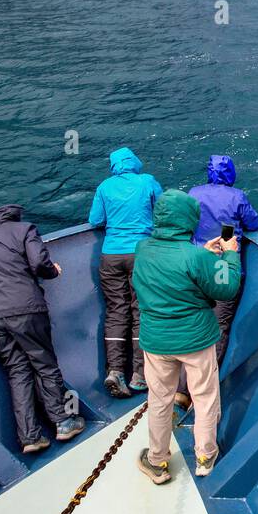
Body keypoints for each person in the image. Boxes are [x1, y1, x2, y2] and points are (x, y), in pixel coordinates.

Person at [131, 190, 241, 484]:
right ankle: (205, 457)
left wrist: (204, 253)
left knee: (159, 400)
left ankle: (157, 461)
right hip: (196, 341)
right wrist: (228, 255)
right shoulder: (195, 257)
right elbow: (226, 288)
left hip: (156, 342)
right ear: (189, 220)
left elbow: (174, 266)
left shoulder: (142, 249)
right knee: (205, 398)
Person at [0, 205, 86, 454]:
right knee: (45, 364)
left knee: (17, 371)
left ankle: (30, 436)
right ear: (17, 218)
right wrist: (53, 271)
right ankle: (63, 421)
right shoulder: (25, 230)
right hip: (25, 309)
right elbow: (39, 262)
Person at [176, 154, 258, 408]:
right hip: (224, 266)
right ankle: (199, 391)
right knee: (218, 329)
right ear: (231, 173)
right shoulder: (237, 197)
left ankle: (179, 388)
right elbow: (253, 223)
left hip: (198, 264)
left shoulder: (193, 192)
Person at [88, 147, 163, 398]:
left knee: (116, 311)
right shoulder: (147, 182)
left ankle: (116, 370)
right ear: (135, 162)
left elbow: (95, 220)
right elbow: (164, 213)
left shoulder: (104, 187)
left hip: (110, 255)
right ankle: (140, 374)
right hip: (141, 254)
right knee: (140, 309)